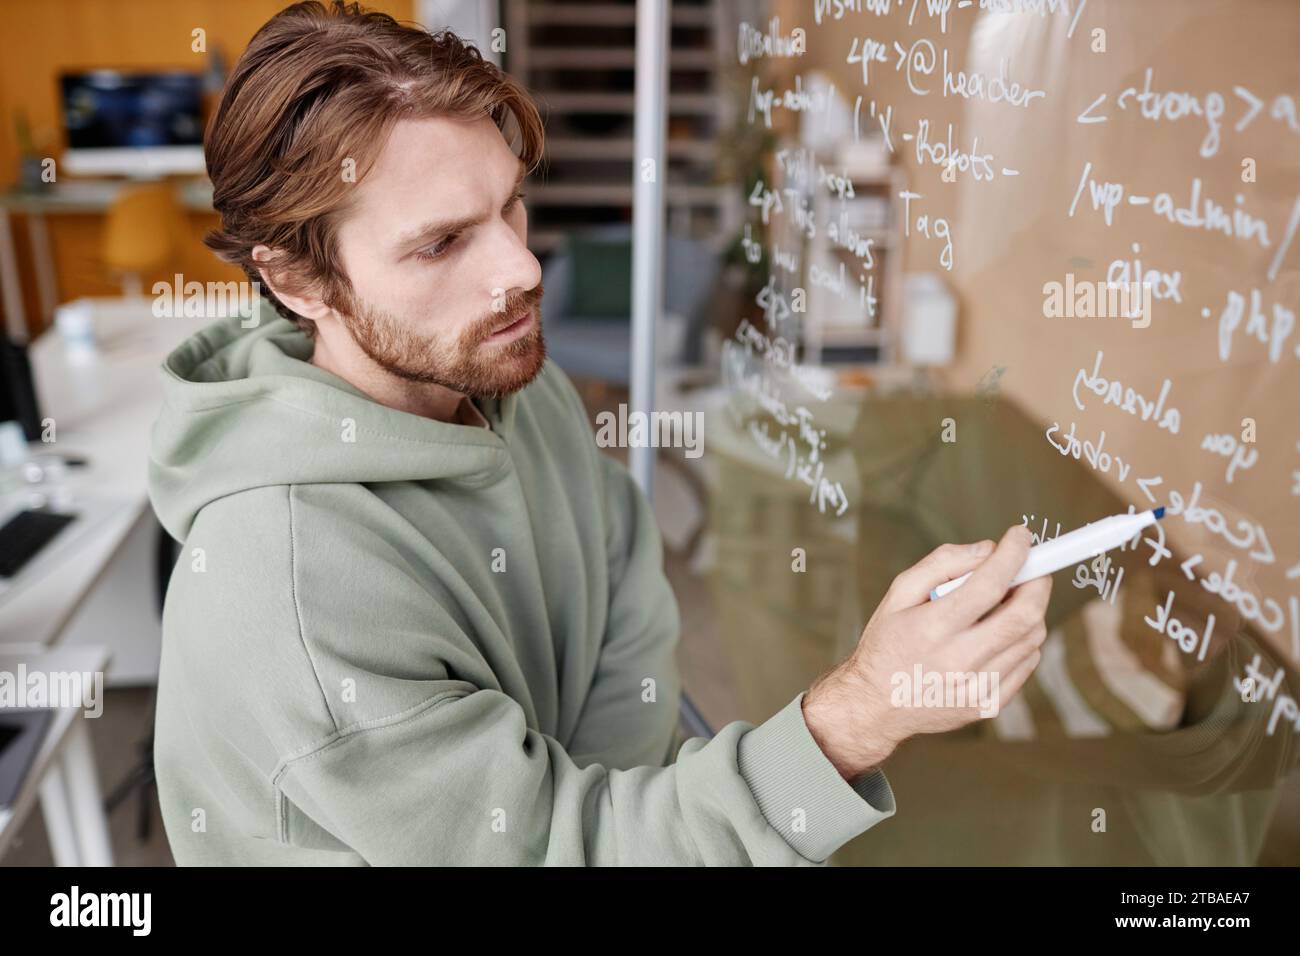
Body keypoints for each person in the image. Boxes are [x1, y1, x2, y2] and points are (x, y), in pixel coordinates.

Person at [148, 0, 1051, 865]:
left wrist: (651, 813)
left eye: (509, 206)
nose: (521, 267)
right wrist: (860, 714)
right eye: (440, 244)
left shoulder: (513, 387)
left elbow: (625, 585)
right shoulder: (289, 590)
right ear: (298, 282)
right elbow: (567, 852)